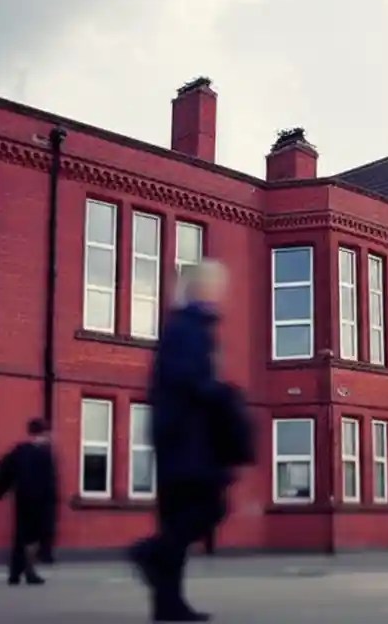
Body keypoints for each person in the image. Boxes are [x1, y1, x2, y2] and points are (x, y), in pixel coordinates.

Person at [129, 260, 254, 622]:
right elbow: (188, 382)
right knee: (209, 509)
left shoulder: (185, 326)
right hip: (187, 442)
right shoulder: (189, 328)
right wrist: (223, 394)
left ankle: (168, 604)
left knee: (175, 520)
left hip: (175, 440)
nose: (221, 293)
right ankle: (150, 553)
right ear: (202, 289)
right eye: (216, 286)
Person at [0, 418, 60, 585]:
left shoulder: (20, 451)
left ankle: (15, 573)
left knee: (20, 536)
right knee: (34, 537)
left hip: (22, 499)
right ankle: (29, 572)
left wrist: (0, 491)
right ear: (43, 433)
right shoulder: (44, 454)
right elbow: (50, 481)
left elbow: (2, 469)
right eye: (47, 433)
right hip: (39, 501)